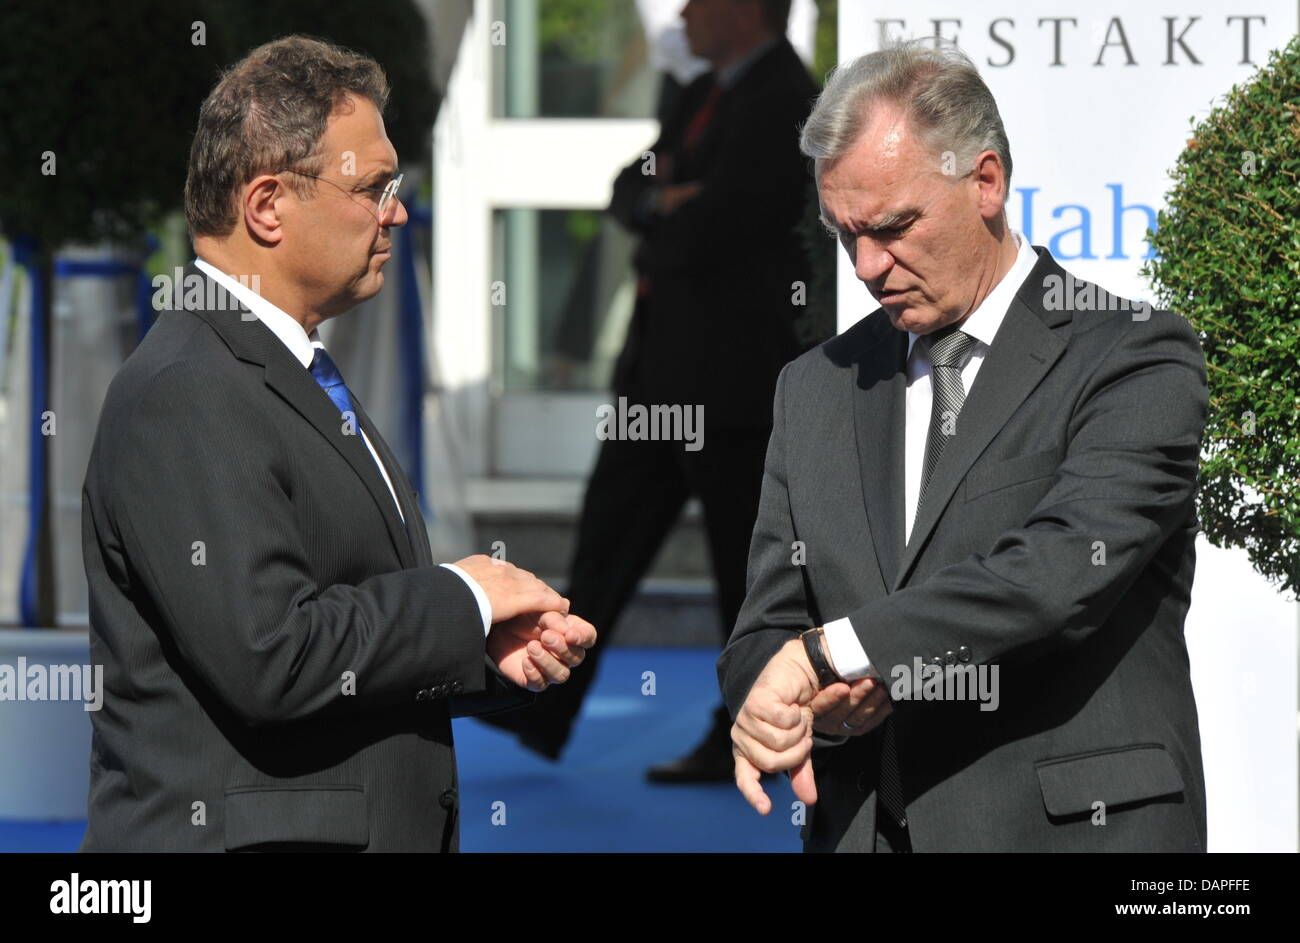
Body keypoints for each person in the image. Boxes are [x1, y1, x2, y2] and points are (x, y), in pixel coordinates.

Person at [80, 36, 595, 853]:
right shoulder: (186, 390)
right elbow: (272, 655)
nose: (396, 209)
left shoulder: (283, 365)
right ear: (267, 207)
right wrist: (460, 598)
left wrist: (479, 649)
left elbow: (344, 629)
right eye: (372, 186)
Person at [718, 41, 1209, 852]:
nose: (870, 265)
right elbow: (763, 632)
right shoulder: (813, 387)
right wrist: (782, 704)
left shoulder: (1133, 356)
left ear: (986, 181)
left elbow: (1054, 576)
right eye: (845, 236)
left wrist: (830, 651)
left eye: (895, 226)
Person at [483, 0, 817, 784]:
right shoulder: (702, 92)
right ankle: (543, 704)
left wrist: (671, 205)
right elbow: (624, 192)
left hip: (732, 389)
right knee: (603, 547)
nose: (687, 15)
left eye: (700, 2)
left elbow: (721, 228)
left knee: (746, 571)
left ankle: (745, 731)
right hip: (657, 382)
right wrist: (668, 199)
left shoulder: (785, 100)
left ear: (740, 11)